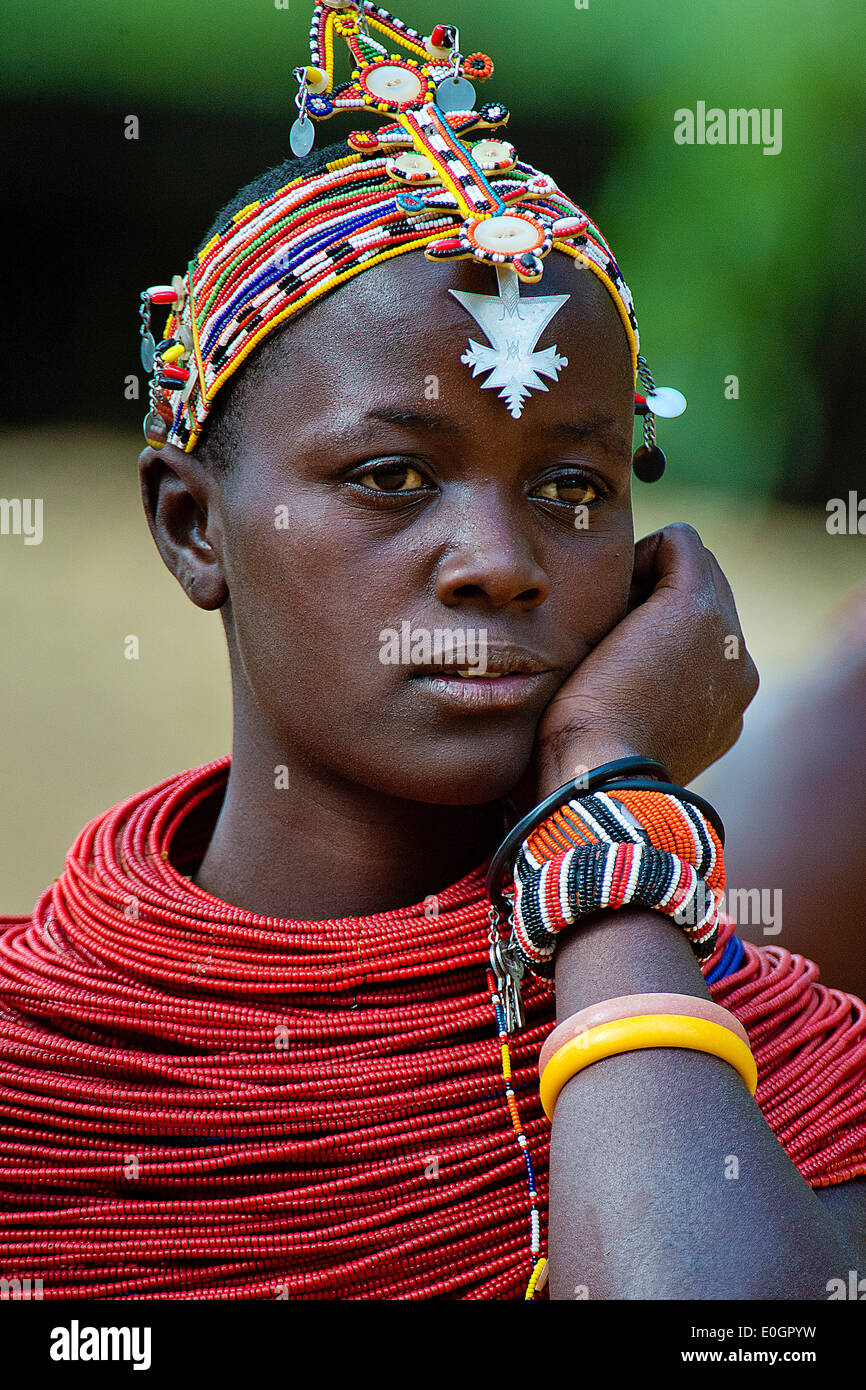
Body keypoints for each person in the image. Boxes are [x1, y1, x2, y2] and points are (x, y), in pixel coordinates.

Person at [0, 1, 863, 1301]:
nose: (498, 559)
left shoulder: (777, 1059)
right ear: (191, 526)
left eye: (571, 486)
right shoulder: (42, 1063)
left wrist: (602, 789)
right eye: (394, 473)